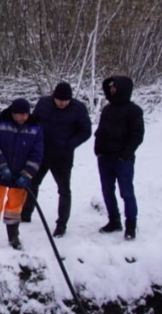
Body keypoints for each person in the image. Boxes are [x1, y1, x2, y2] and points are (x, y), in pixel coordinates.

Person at [21, 82, 92, 237]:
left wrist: (70, 144)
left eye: (65, 100)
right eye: (59, 100)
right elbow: (34, 121)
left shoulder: (78, 108)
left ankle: (61, 224)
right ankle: (26, 213)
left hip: (63, 156)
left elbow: (86, 131)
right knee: (32, 183)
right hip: (42, 153)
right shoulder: (44, 103)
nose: (62, 103)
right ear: (54, 97)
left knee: (64, 190)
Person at [0, 98, 43, 250]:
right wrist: (1, 164)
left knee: (15, 207)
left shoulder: (35, 127)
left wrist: (27, 174)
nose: (23, 118)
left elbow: (37, 154)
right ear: (12, 113)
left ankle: (13, 235)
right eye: (19, 115)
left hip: (20, 175)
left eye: (25, 114)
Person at [93, 75, 145, 240]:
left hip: (123, 160)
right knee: (107, 191)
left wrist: (125, 155)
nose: (112, 89)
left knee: (127, 193)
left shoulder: (134, 111)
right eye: (111, 87)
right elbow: (100, 131)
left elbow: (137, 136)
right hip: (104, 158)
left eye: (115, 87)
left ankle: (131, 225)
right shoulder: (107, 109)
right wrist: (98, 149)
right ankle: (114, 220)